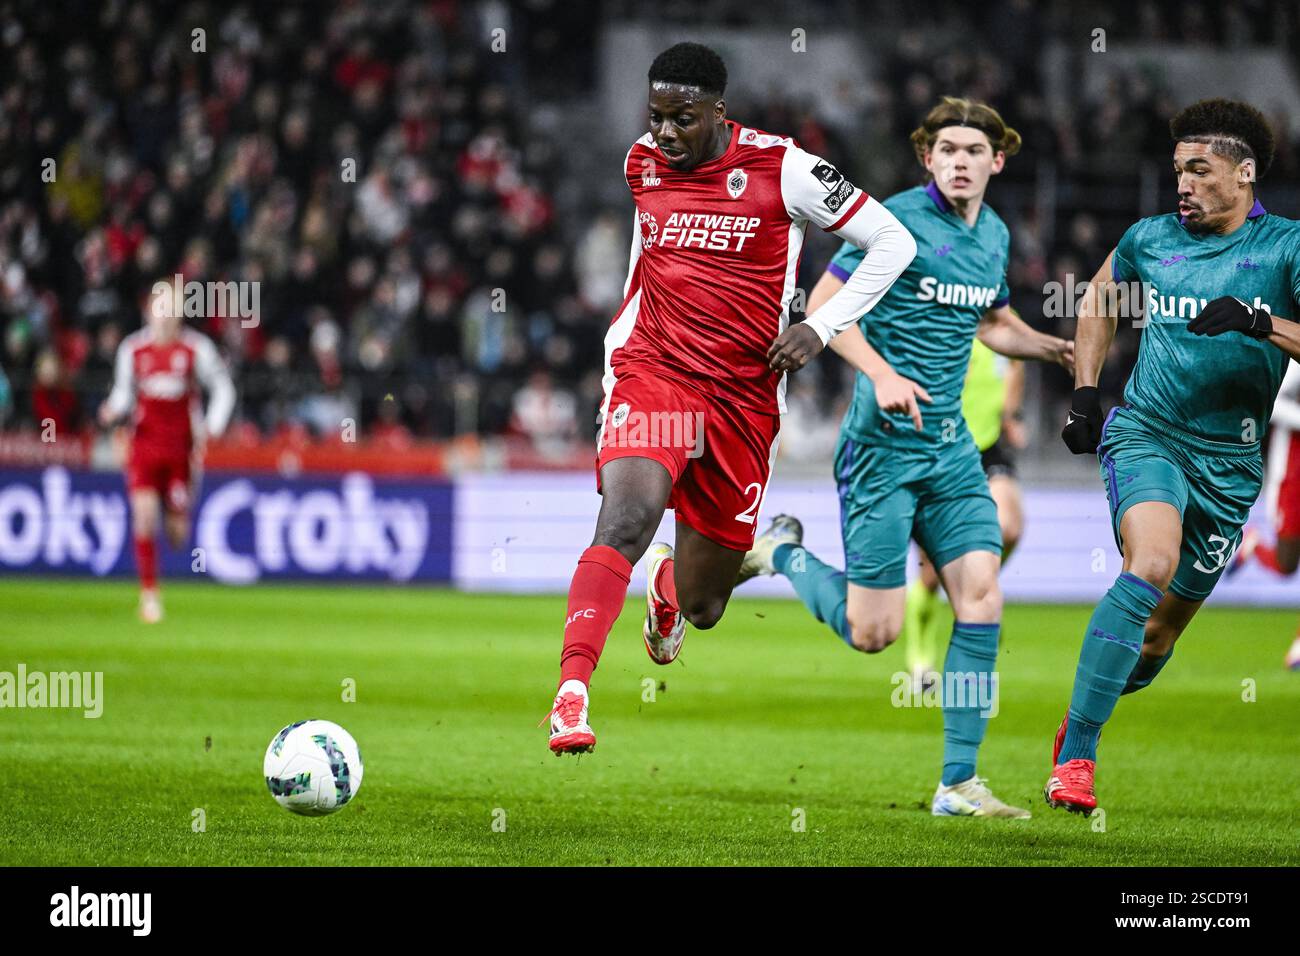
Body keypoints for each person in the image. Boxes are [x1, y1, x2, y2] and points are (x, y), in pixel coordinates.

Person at [545, 42, 917, 754]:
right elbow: (643, 264)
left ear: (719, 112)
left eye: (681, 119)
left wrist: (820, 326)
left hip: (742, 400)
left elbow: (892, 242)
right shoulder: (641, 164)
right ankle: (572, 693)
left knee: (706, 604)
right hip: (654, 373)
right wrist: (618, 354)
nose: (664, 134)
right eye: (655, 118)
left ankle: (668, 592)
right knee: (624, 518)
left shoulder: (787, 169)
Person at [740, 98, 1073, 817]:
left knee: (982, 594)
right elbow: (825, 310)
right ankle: (781, 554)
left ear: (997, 160)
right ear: (927, 159)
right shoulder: (890, 222)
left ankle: (958, 782)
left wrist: (1051, 347)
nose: (959, 160)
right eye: (946, 149)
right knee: (874, 633)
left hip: (950, 450)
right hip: (880, 452)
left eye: (973, 150)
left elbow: (990, 320)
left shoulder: (994, 234)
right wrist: (881, 373)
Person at [1048, 98, 1300, 814]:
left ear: (1244, 174)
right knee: (1149, 565)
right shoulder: (1151, 238)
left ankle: (1082, 714)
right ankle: (1079, 759)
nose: (1182, 184)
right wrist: (1086, 395)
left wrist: (1261, 321)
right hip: (1149, 432)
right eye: (1177, 170)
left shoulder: (1287, 248)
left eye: (1200, 169)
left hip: (1232, 464)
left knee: (1154, 641)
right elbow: (1099, 298)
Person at [99, 282, 235, 622]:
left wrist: (212, 427)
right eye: (160, 307)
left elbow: (223, 388)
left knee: (177, 535)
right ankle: (149, 596)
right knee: (143, 516)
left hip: (181, 451)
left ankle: (172, 509)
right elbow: (123, 394)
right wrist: (112, 411)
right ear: (150, 310)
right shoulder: (133, 350)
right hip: (144, 445)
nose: (165, 315)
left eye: (172, 308)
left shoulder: (196, 349)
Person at [902, 340, 1027, 688]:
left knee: (1009, 526)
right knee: (930, 568)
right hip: (939, 448)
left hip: (988, 445)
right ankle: (920, 659)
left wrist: (1011, 414)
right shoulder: (944, 316)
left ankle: (975, 590)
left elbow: (1017, 362)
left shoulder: (1003, 317)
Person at [1228, 360, 1300, 669]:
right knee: (1286, 564)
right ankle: (1255, 545)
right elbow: (1272, 405)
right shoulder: (1295, 359)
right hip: (1291, 475)